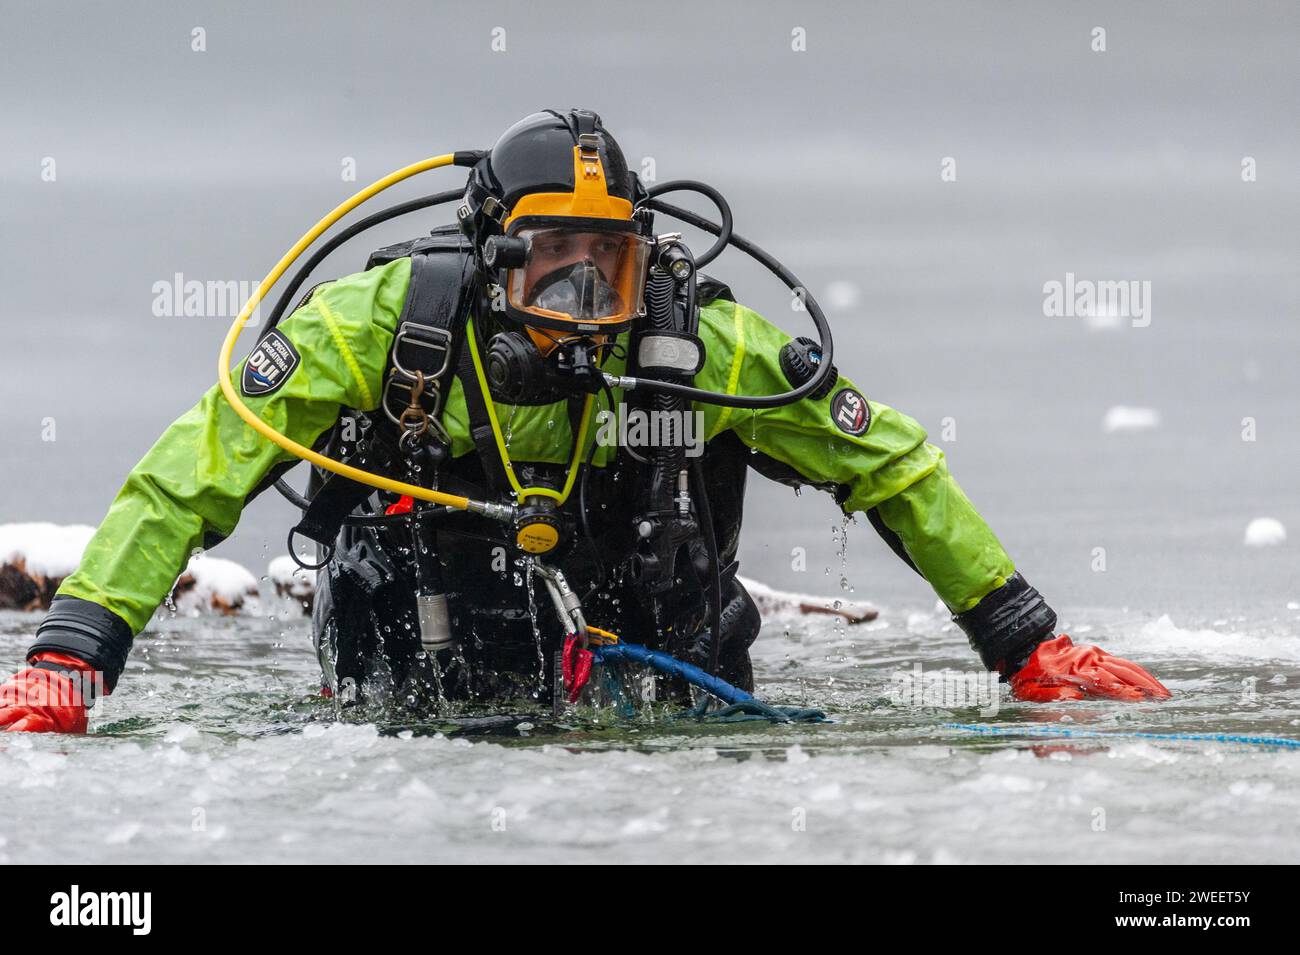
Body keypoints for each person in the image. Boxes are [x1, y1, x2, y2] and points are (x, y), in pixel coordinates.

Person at [0, 109, 1169, 733]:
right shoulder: (381, 328)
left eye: (605, 275)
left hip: (663, 683)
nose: (580, 309)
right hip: (407, 686)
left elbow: (890, 458)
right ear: (491, 256)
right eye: (553, 272)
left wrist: (1022, 639)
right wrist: (73, 653)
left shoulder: (689, 343)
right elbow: (188, 476)